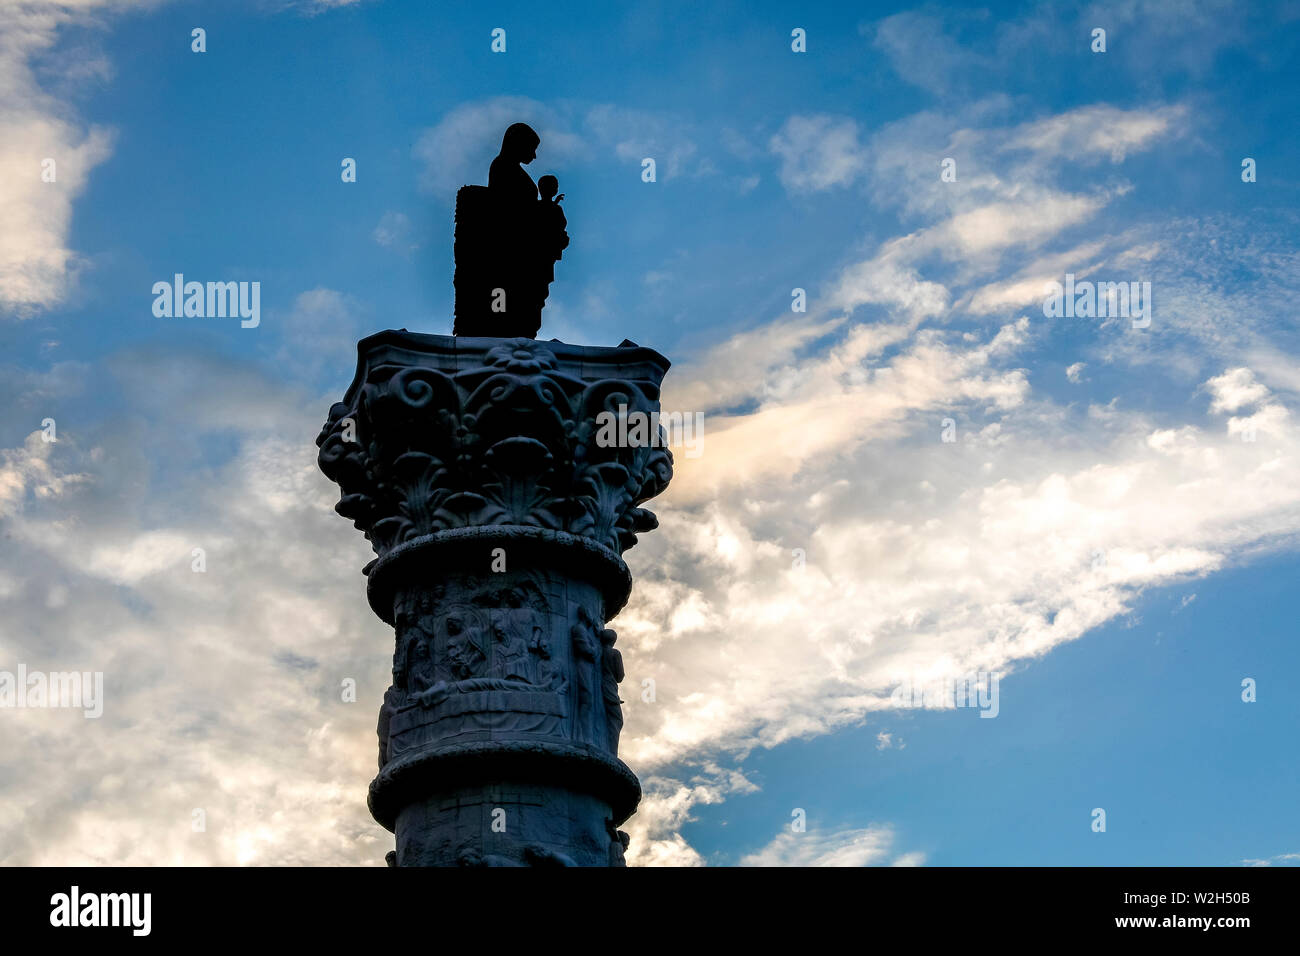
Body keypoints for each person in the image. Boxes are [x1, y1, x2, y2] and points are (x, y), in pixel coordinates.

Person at [535, 175, 569, 286]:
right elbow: (552, 221)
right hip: (545, 250)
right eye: (555, 186)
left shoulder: (551, 207)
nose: (556, 189)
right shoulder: (553, 208)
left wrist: (554, 204)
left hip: (548, 251)